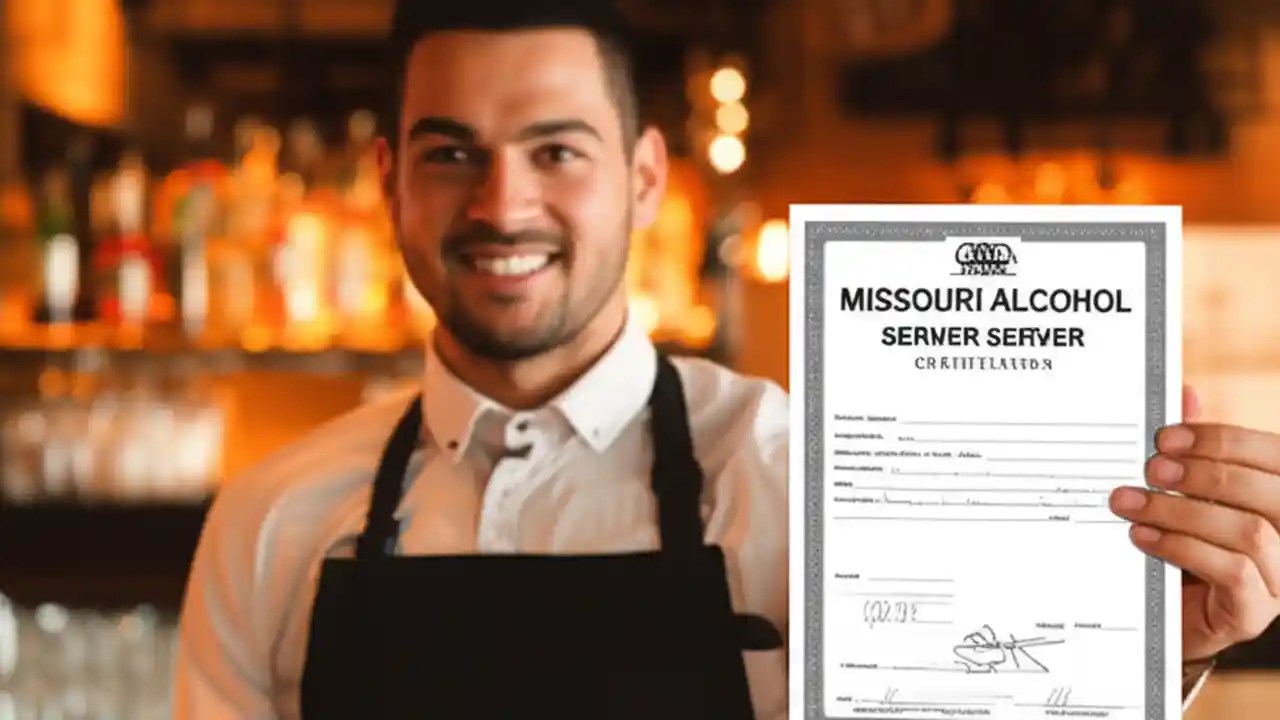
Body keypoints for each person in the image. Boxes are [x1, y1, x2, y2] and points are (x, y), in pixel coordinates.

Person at [172, 0, 1280, 717]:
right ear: (386, 177)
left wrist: (1142, 658)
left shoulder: (808, 477)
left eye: (555, 150)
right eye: (451, 152)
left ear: (645, 177)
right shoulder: (269, 519)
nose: (501, 203)